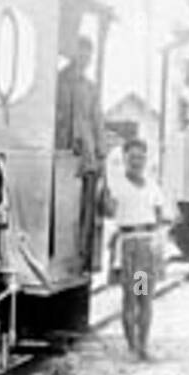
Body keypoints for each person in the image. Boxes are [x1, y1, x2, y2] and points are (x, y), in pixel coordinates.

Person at [106, 138, 168, 361]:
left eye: (140, 157)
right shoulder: (117, 185)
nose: (137, 161)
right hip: (128, 246)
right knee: (130, 298)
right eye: (132, 157)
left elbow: (160, 216)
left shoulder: (152, 185)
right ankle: (131, 346)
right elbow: (107, 210)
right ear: (125, 159)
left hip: (145, 246)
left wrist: (158, 245)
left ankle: (143, 346)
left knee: (144, 297)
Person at [55, 35, 106, 273]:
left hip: (86, 155)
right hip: (61, 152)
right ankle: (61, 255)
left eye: (89, 54)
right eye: (81, 52)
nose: (85, 58)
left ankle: (83, 257)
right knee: (62, 206)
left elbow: (97, 120)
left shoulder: (90, 87)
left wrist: (101, 153)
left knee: (86, 209)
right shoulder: (57, 82)